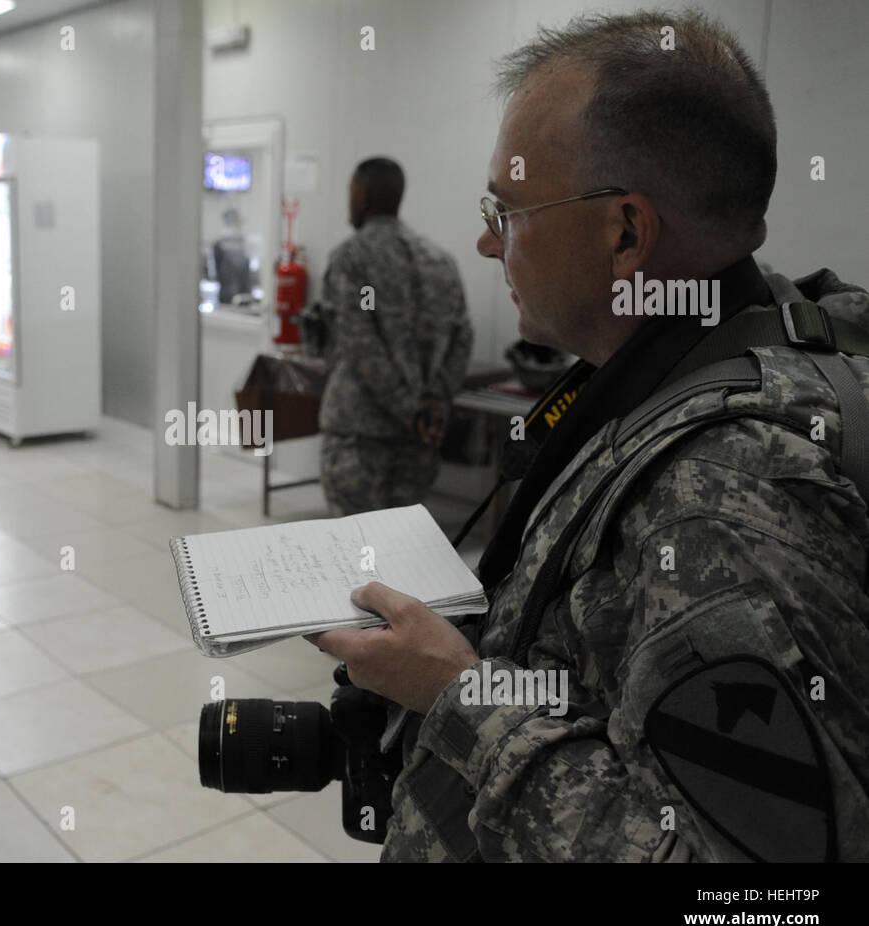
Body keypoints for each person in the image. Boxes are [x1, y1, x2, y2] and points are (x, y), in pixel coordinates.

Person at [307, 10, 869, 862]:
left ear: (625, 233)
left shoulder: (725, 493)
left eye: (509, 207)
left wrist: (462, 696)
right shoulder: (713, 345)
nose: (488, 239)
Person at [317, 157, 473, 516]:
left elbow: (360, 346)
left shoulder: (352, 257)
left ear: (363, 197)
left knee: (354, 552)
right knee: (400, 552)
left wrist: (407, 407)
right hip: (418, 441)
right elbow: (462, 337)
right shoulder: (440, 260)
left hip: (360, 434)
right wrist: (431, 404)